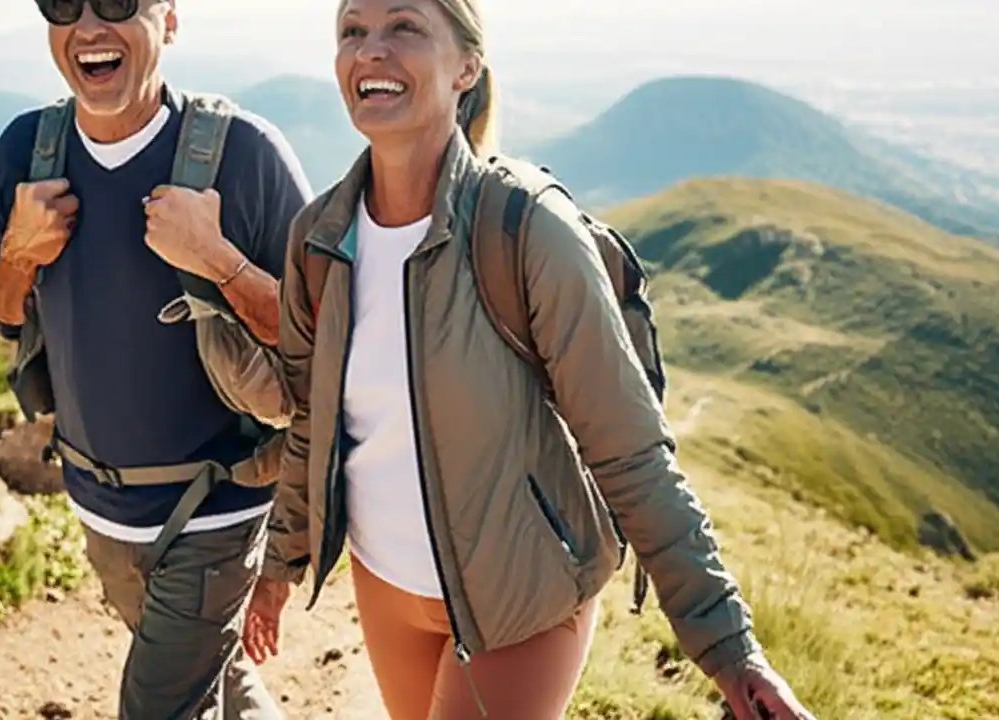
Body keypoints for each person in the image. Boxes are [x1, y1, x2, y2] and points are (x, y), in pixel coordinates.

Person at [242, 0, 816, 718]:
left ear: (467, 67)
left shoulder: (526, 228)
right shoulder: (318, 239)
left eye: (404, 28)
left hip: (524, 602)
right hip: (385, 586)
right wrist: (279, 562)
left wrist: (729, 647)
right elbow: (310, 425)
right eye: (352, 31)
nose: (370, 51)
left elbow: (631, 451)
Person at [0, 0, 311, 717]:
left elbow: (323, 338)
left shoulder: (244, 153)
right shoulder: (24, 151)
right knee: (215, 685)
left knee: (159, 706)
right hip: (99, 507)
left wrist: (217, 261)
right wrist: (18, 255)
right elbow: (0, 310)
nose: (90, 26)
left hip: (218, 506)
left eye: (121, 3)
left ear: (171, 19)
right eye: (65, 4)